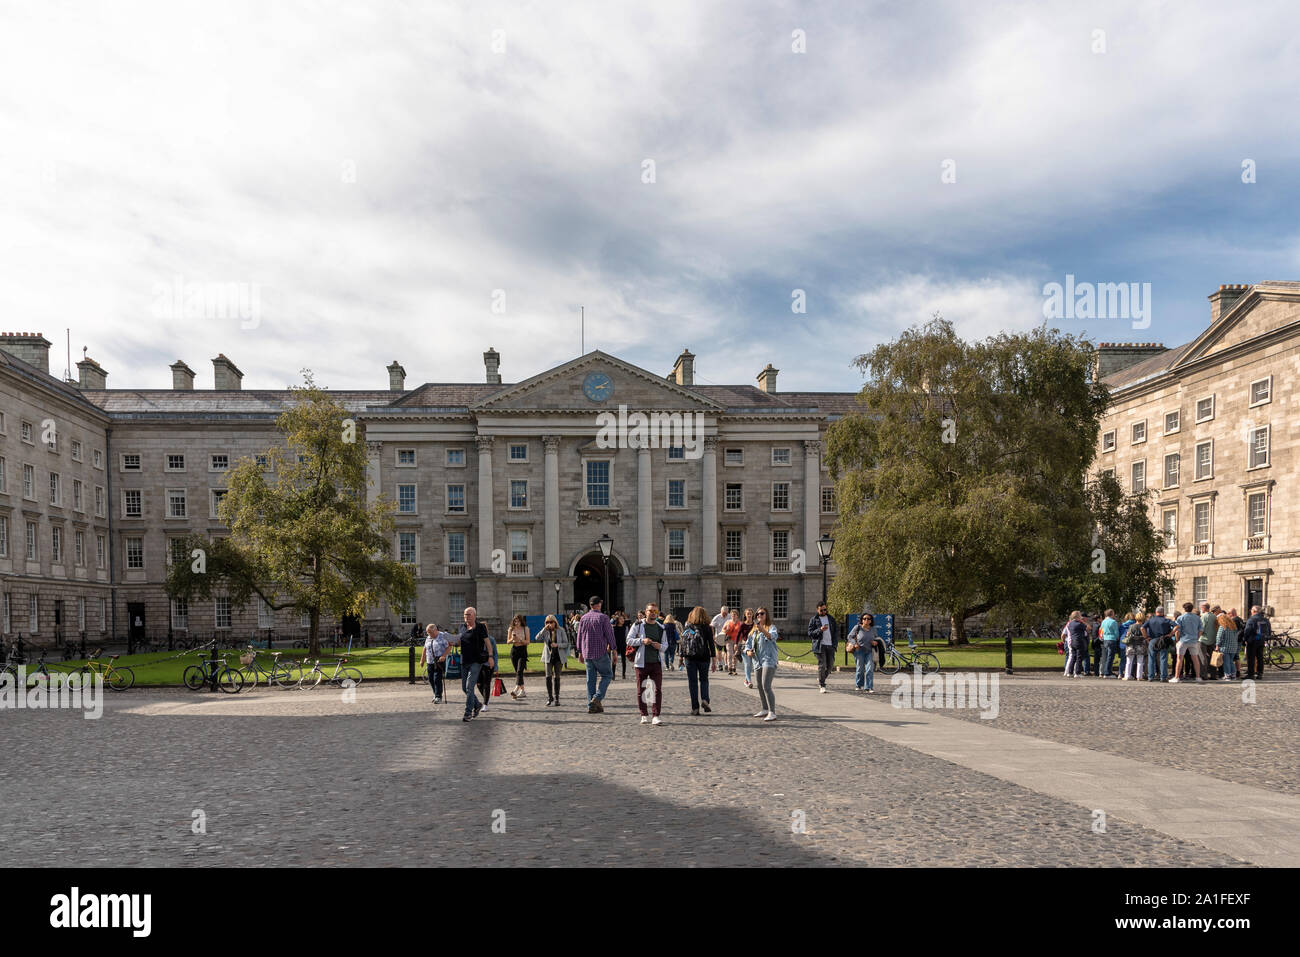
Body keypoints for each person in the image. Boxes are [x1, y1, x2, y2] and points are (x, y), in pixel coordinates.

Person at [627, 602, 666, 725]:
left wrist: (659, 646)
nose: (653, 613)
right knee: (641, 690)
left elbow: (665, 646)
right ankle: (643, 714)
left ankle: (656, 715)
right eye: (651, 611)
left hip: (656, 662)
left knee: (657, 690)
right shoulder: (638, 625)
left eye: (655, 611)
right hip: (641, 662)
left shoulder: (661, 628)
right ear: (646, 612)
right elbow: (628, 640)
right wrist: (642, 641)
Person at [452, 607, 493, 722]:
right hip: (464, 660)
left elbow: (487, 642)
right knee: (464, 689)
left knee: (469, 687)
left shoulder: (480, 627)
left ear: (474, 615)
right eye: (465, 615)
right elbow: (460, 642)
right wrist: (454, 643)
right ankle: (478, 704)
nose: (466, 617)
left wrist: (490, 657)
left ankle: (468, 713)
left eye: (468, 615)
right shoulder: (462, 627)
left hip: (476, 661)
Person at [577, 597, 616, 713]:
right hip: (600, 652)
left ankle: (592, 706)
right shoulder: (603, 618)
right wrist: (614, 650)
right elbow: (609, 635)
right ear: (599, 604)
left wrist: (579, 652)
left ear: (590, 605)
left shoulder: (583, 618)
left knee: (591, 680)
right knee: (608, 675)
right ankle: (597, 697)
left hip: (587, 653)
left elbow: (579, 636)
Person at [745, 606, 780, 719]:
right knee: (760, 686)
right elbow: (747, 645)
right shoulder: (753, 631)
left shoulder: (771, 627)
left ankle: (772, 712)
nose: (759, 616)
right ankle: (765, 709)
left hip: (768, 660)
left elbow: (773, 637)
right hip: (757, 661)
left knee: (766, 686)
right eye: (757, 614)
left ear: (766, 615)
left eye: (762, 614)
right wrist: (747, 652)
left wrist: (763, 630)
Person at [681, 606, 716, 715]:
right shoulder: (707, 627)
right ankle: (705, 699)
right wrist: (714, 660)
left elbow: (684, 642)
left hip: (690, 658)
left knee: (693, 683)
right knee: (704, 680)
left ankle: (695, 708)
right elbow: (711, 644)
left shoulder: (688, 626)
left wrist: (681, 657)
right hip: (704, 657)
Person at [807, 601, 839, 692]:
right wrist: (820, 630)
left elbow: (836, 632)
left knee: (830, 666)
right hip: (820, 646)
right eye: (821, 610)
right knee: (822, 665)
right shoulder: (814, 619)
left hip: (830, 645)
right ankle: (822, 685)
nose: (824, 612)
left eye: (825, 610)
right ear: (817, 610)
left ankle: (821, 678)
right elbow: (810, 633)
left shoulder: (831, 619)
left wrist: (835, 645)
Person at [539, 614, 569, 706]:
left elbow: (566, 643)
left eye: (551, 622)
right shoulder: (546, 631)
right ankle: (549, 697)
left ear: (555, 622)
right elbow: (537, 637)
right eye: (547, 622)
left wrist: (557, 645)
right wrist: (544, 629)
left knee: (557, 678)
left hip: (558, 657)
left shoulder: (561, 630)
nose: (549, 624)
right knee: (548, 677)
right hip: (548, 657)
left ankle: (557, 698)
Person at [1171, 602, 1204, 683]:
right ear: (1192, 608)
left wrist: (1177, 639)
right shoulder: (1197, 618)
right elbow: (1201, 630)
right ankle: (1198, 677)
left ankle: (1176, 677)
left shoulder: (1181, 618)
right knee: (1195, 659)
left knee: (1179, 659)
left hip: (1183, 640)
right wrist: (1197, 638)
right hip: (1193, 640)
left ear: (1184, 609)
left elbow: (1177, 630)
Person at [420, 622, 450, 703]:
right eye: (428, 632)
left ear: (436, 630)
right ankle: (435, 693)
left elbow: (449, 647)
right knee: (431, 679)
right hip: (430, 661)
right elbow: (425, 648)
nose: (429, 634)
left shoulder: (443, 636)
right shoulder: (428, 638)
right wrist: (422, 660)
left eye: (430, 632)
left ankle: (438, 696)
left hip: (439, 660)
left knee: (437, 678)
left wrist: (444, 656)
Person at [847, 615, 877, 693]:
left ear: (871, 620)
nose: (866, 620)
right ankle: (859, 685)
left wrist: (874, 642)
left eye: (868, 619)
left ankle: (869, 687)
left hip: (869, 651)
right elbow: (849, 637)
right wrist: (854, 643)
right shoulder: (857, 627)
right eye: (864, 619)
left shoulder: (873, 629)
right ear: (862, 620)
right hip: (859, 651)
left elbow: (876, 638)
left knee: (869, 669)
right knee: (860, 669)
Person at [1240, 605, 1271, 680]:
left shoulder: (1251, 619)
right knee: (1260, 657)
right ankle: (1260, 673)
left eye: (1251, 610)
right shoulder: (1265, 619)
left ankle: (1251, 674)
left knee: (1251, 658)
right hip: (1261, 640)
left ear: (1254, 611)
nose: (1251, 612)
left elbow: (1247, 631)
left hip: (1252, 641)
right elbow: (1268, 631)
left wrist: (1245, 639)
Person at [1144, 607, 1174, 682]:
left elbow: (1142, 628)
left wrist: (1146, 637)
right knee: (1163, 658)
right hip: (1163, 639)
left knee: (1151, 658)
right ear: (1163, 612)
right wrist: (1170, 634)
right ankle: (1163, 677)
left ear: (1156, 612)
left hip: (1153, 639)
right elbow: (1177, 626)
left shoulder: (1150, 620)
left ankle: (1150, 676)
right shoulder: (1166, 620)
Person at [507, 614, 531, 699]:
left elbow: (528, 642)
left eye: (518, 621)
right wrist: (513, 639)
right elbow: (508, 641)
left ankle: (516, 689)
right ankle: (523, 691)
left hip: (522, 651)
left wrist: (520, 640)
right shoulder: (511, 629)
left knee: (519, 671)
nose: (516, 622)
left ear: (521, 621)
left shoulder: (526, 629)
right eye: (515, 621)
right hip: (514, 651)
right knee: (518, 672)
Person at [477, 628, 500, 710]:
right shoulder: (476, 638)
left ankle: (485, 703)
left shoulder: (491, 639)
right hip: (478, 664)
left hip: (488, 664)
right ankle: (486, 698)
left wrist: (496, 666)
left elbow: (495, 653)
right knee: (479, 684)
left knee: (486, 683)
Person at [1214, 607, 1239, 680]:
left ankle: (1227, 675)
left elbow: (1219, 637)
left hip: (1225, 647)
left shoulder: (1222, 627)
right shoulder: (1233, 626)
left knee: (1226, 662)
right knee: (1231, 661)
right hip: (1233, 646)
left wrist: (1217, 645)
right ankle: (1233, 675)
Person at [1122, 612, 1147, 681]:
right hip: (1140, 644)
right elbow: (1145, 636)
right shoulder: (1143, 626)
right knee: (1140, 661)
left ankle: (1127, 675)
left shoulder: (1131, 626)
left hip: (1131, 645)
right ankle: (1139, 676)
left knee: (1129, 661)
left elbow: (1128, 635)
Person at [1199, 602, 1220, 680]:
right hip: (1212, 639)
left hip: (1203, 639)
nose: (1201, 609)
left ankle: (1204, 675)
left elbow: (1202, 628)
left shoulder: (1204, 616)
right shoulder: (1214, 616)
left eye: (1201, 607)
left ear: (1204, 608)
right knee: (1212, 658)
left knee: (1202, 658)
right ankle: (1213, 675)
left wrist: (1198, 636)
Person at [1064, 611, 1088, 677]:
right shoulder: (1079, 624)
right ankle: (1077, 673)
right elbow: (1088, 627)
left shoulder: (1070, 624)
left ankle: (1070, 672)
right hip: (1079, 641)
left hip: (1072, 641)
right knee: (1079, 657)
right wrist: (1082, 621)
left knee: (1073, 657)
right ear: (1078, 616)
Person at [1099, 610, 1121, 678]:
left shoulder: (1103, 621)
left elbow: (1101, 630)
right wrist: (1117, 637)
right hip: (1112, 639)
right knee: (1110, 657)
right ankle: (1107, 673)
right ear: (1112, 614)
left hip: (1105, 639)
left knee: (1107, 656)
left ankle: (1106, 671)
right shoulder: (1113, 622)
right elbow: (1116, 632)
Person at [612, 612, 630, 680]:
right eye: (621, 619)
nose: (622, 620)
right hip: (616, 645)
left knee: (624, 660)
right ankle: (613, 674)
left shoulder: (624, 627)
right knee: (614, 660)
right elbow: (612, 637)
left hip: (623, 644)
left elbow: (629, 621)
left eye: (623, 619)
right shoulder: (614, 628)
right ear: (617, 620)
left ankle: (623, 674)